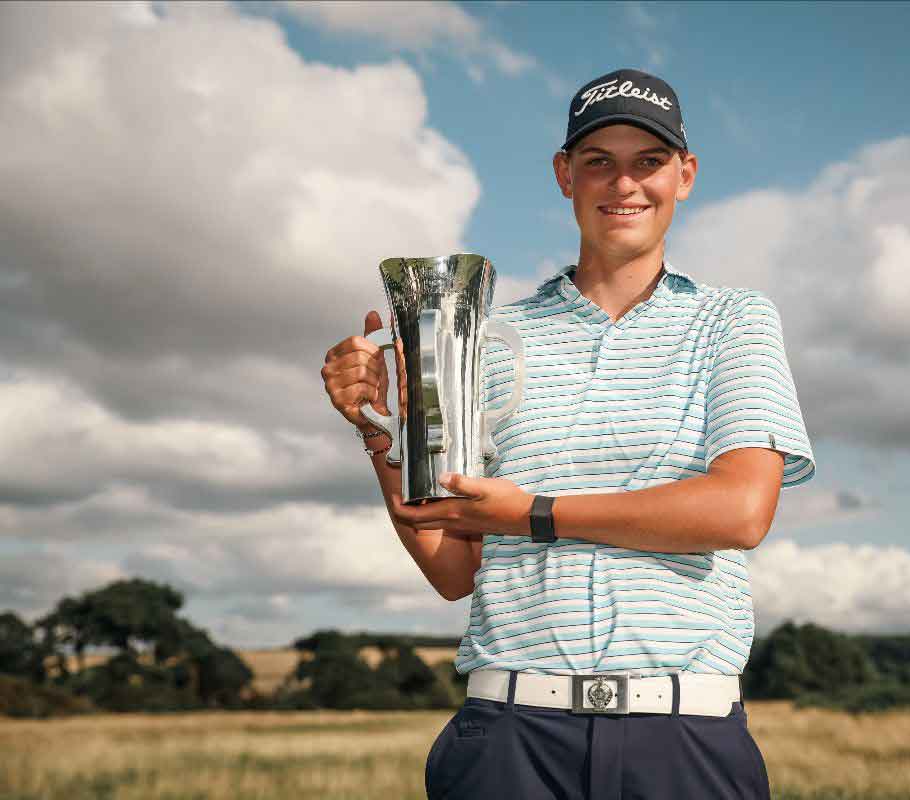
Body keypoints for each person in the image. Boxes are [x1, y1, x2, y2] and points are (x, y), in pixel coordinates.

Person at [321, 68, 815, 800]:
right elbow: (453, 570)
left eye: (649, 162)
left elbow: (739, 511)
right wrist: (380, 434)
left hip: (681, 737)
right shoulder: (484, 334)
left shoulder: (734, 320)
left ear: (686, 174)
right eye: (598, 162)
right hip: (509, 736)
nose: (625, 184)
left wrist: (533, 514)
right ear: (565, 175)